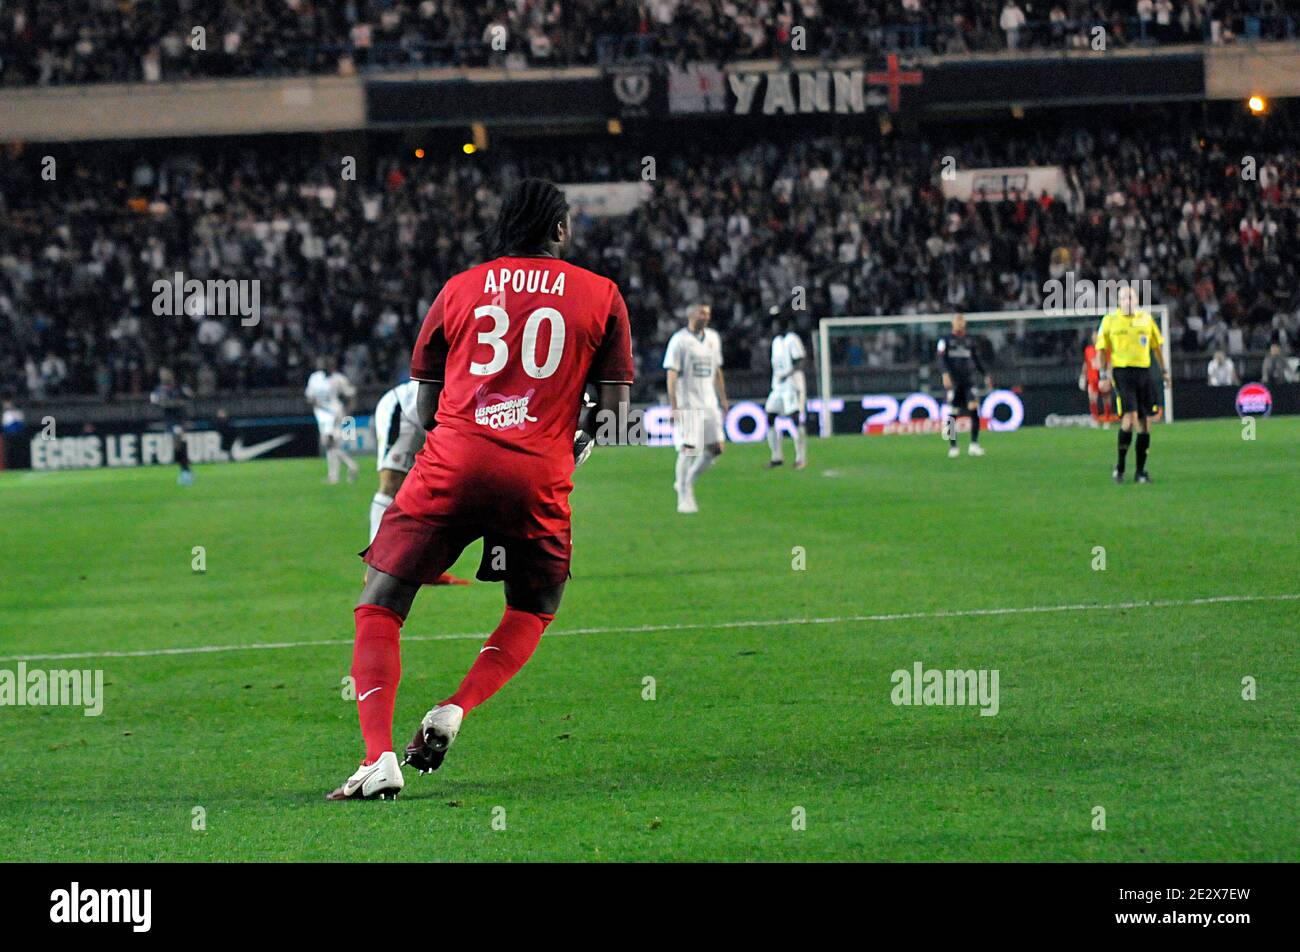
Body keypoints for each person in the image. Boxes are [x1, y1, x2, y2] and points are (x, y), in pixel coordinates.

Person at [329, 178, 633, 801]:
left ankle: (377, 757)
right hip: (538, 474)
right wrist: (571, 439)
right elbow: (611, 412)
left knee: (380, 602)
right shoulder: (602, 295)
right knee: (532, 607)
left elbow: (424, 401)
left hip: (454, 460)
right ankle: (456, 707)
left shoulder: (459, 289)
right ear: (557, 229)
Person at [369, 379, 466, 585]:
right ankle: (375, 568)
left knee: (439, 489)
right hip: (404, 409)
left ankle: (426, 567)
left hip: (438, 421)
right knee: (390, 485)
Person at [1097, 287, 1170, 484]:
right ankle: (1120, 468)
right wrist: (1103, 374)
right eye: (1123, 297)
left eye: (1130, 297)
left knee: (1146, 423)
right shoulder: (1110, 320)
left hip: (1143, 373)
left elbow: (1157, 347)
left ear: (1136, 300)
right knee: (1129, 419)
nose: (1127, 300)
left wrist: (1164, 372)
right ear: (1119, 301)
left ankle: (1140, 472)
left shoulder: (1146, 320)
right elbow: (1102, 350)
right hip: (1122, 372)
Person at [663, 303, 728, 514]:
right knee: (689, 449)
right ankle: (683, 494)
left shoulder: (713, 338)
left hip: (709, 402)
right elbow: (672, 375)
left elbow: (717, 370)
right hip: (688, 403)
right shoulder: (679, 341)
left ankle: (686, 481)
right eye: (703, 312)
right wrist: (674, 406)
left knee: (716, 449)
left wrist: (723, 398)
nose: (707, 316)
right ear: (690, 314)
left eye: (709, 313)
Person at [937, 314, 991, 457]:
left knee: (974, 408)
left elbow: (976, 359)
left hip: (969, 380)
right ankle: (953, 446)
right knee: (953, 412)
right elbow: (941, 360)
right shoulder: (945, 340)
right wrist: (945, 374)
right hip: (955, 382)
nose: (960, 324)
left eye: (962, 321)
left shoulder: (970, 341)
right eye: (957, 321)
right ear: (953, 324)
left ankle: (974, 444)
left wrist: (985, 374)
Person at [305, 356, 358, 484]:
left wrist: (348, 412)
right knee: (331, 446)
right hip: (321, 414)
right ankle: (341, 472)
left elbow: (351, 394)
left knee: (329, 443)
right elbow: (309, 396)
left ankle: (339, 474)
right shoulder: (315, 378)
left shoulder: (338, 379)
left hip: (334, 413)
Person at [764, 316, 809, 469]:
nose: (774, 326)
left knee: (795, 418)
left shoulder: (792, 339)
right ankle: (777, 456)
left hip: (792, 383)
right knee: (770, 416)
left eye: (776, 322)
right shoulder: (776, 342)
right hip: (778, 386)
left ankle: (800, 458)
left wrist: (788, 373)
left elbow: (801, 360)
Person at [150, 368, 195, 485]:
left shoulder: (179, 387)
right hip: (170, 421)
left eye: (165, 374)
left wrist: (177, 402)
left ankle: (186, 472)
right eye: (161, 374)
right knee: (177, 446)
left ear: (171, 374)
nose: (163, 376)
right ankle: (185, 469)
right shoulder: (159, 389)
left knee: (179, 441)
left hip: (179, 420)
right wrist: (175, 403)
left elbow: (190, 396)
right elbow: (156, 402)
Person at [1080, 331, 1115, 424]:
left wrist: (1109, 375)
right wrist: (1083, 377)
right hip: (1092, 379)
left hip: (1103, 378)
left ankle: (1107, 419)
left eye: (1096, 337)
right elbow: (1086, 363)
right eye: (1093, 337)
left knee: (1106, 398)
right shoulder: (1088, 350)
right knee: (1092, 398)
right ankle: (1095, 420)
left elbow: (1109, 363)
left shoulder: (1105, 349)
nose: (1095, 339)